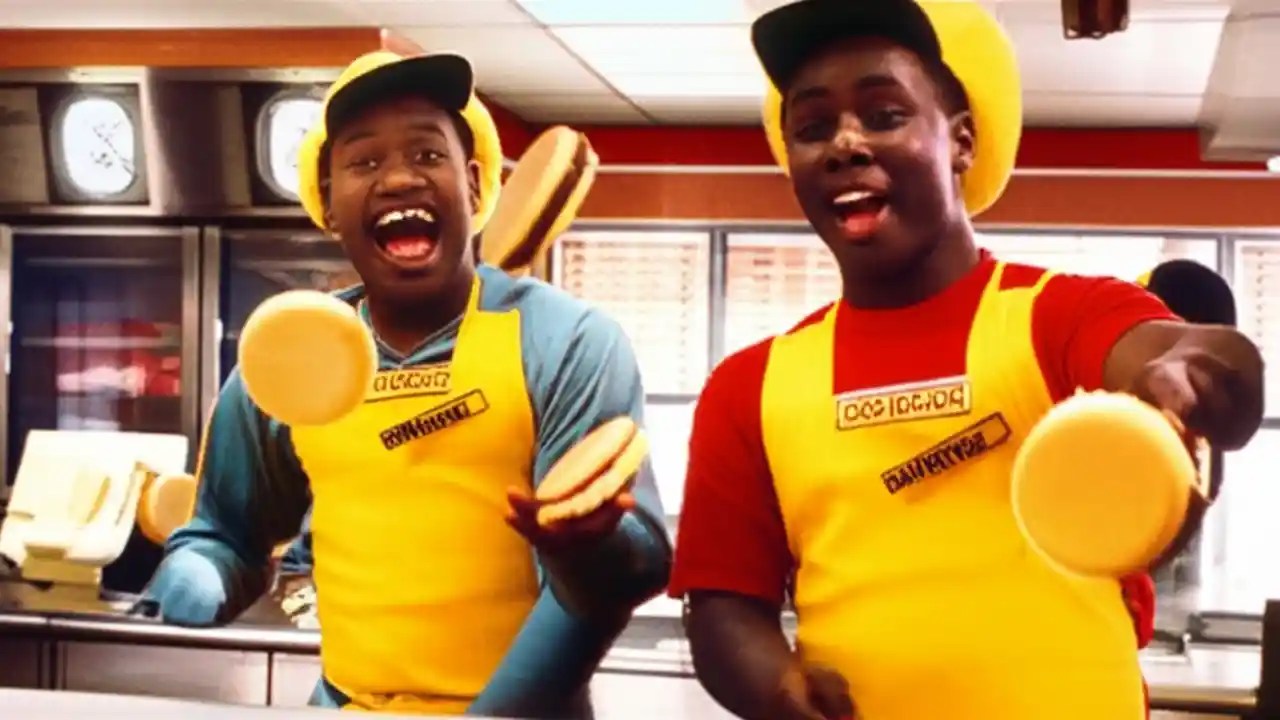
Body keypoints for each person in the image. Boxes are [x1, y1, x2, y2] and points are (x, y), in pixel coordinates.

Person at [667, 2, 1264, 719]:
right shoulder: (749, 387)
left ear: (961, 141)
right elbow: (725, 608)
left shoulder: (1057, 317)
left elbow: (1181, 350)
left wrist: (1202, 369)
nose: (845, 145)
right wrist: (777, 689)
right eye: (812, 127)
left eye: (885, 114)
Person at [143, 48, 672, 718]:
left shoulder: (566, 342)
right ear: (329, 205)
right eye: (364, 162)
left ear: (475, 187)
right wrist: (204, 569)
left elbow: (621, 577)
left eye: (427, 156)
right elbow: (232, 529)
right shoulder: (290, 352)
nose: (398, 179)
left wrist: (598, 551)